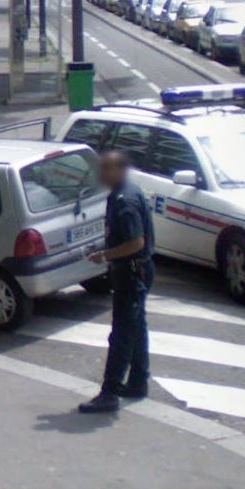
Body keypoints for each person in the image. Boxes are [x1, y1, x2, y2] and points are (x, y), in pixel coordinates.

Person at [78, 151, 156, 414]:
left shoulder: (125, 200)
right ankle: (137, 381)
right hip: (136, 271)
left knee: (122, 333)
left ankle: (109, 392)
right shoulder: (124, 192)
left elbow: (136, 242)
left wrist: (104, 256)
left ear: (119, 170)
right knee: (136, 327)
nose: (100, 174)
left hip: (132, 273)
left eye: (105, 169)